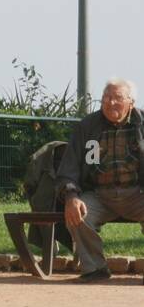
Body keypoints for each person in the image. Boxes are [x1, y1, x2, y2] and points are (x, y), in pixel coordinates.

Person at [57, 78, 144, 281]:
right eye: (106, 97)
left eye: (117, 98)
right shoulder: (87, 126)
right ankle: (95, 269)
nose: (110, 102)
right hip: (98, 195)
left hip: (137, 194)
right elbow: (69, 166)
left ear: (131, 102)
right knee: (76, 212)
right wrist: (71, 196)